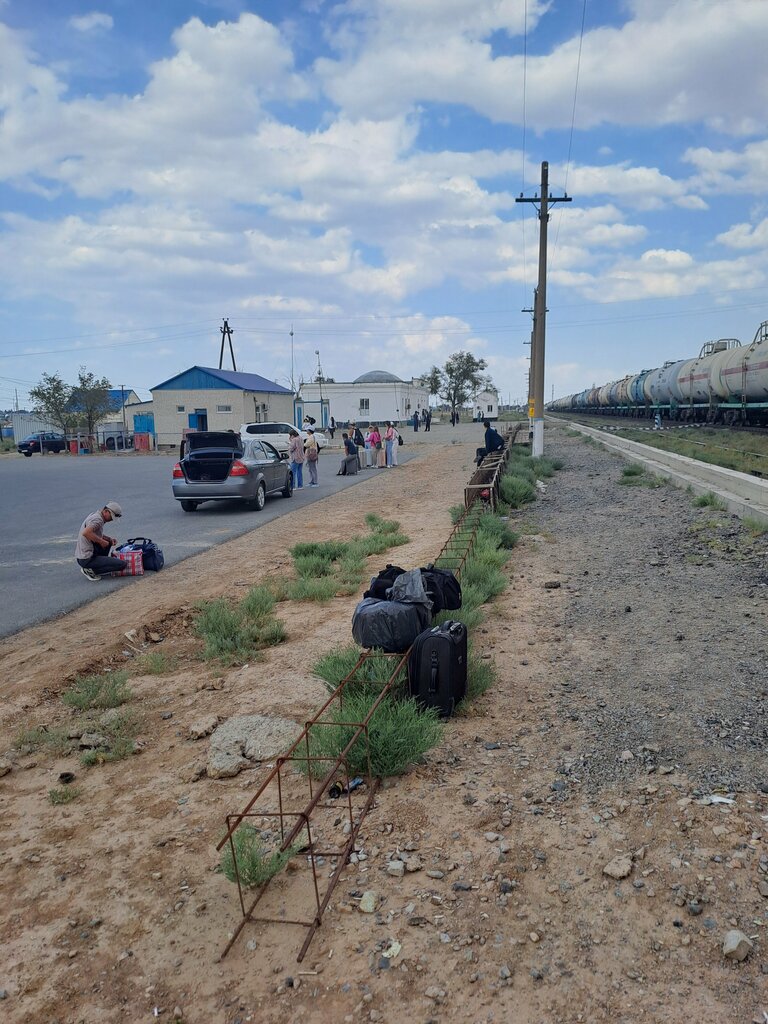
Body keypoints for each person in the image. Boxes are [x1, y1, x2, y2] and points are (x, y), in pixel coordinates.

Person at [75, 501, 127, 581]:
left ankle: (96, 565)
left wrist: (108, 539)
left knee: (108, 542)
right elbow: (86, 533)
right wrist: (101, 541)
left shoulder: (95, 515)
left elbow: (94, 533)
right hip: (87, 559)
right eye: (111, 517)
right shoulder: (98, 520)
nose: (111, 520)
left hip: (82, 557)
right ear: (106, 511)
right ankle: (90, 570)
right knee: (122, 565)